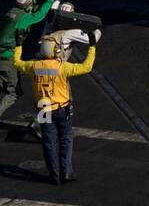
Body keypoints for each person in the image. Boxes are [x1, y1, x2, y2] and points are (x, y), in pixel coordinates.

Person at [13, 34, 97, 184]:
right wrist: (92, 46)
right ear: (56, 51)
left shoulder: (33, 66)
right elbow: (86, 66)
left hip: (43, 109)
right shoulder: (62, 67)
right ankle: (66, 172)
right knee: (66, 137)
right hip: (61, 108)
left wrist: (19, 45)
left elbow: (16, 63)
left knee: (49, 141)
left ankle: (54, 175)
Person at [0, 0, 55, 136]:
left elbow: (30, 10)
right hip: (6, 58)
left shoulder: (12, 12)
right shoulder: (23, 19)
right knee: (14, 92)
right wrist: (50, 0)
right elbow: (38, 16)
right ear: (28, 6)